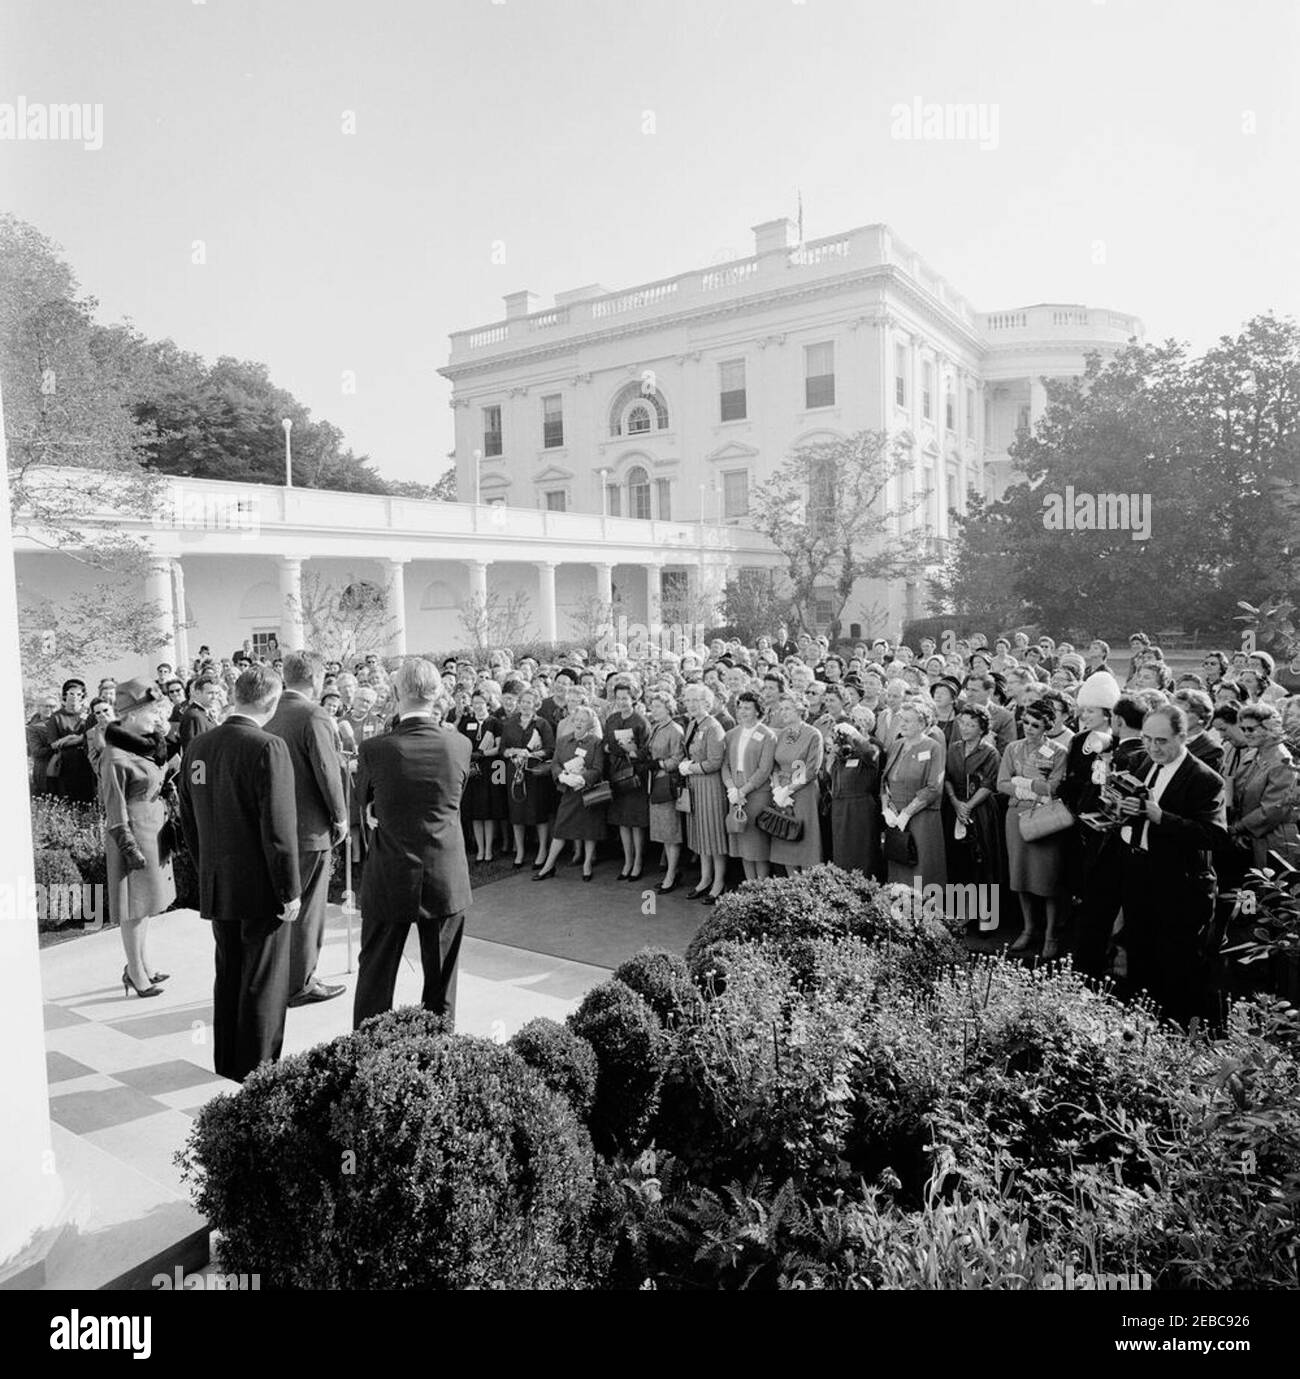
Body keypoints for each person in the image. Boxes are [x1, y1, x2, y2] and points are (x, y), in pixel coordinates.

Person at [177, 666, 302, 1082]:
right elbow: (279, 828)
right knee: (264, 983)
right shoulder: (267, 746)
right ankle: (258, 1072)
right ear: (272, 701)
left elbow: (189, 821)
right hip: (260, 886)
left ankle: (227, 1064)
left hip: (220, 881)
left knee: (229, 974)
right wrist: (289, 890)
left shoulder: (199, 745)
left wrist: (207, 870)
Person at [351, 660, 472, 1027]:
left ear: (395, 693)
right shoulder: (459, 744)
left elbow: (364, 798)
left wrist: (373, 808)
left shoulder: (375, 748)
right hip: (444, 872)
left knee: (375, 978)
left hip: (391, 872)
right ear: (438, 695)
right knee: (441, 984)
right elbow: (453, 797)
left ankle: (368, 1049)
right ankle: (438, 1049)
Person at [1116, 706, 1229, 1027]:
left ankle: (1178, 1034)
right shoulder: (1145, 763)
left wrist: (1160, 817)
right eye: (1147, 739)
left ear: (1183, 737)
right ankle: (1141, 1026)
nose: (1153, 747)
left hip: (1180, 886)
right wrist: (1122, 809)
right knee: (1140, 955)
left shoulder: (1205, 779)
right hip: (1140, 874)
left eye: (1161, 741)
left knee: (1178, 967)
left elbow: (1214, 836)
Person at [264, 651, 349, 1009]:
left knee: (281, 907)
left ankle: (276, 977)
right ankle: (299, 983)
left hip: (273, 827)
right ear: (315, 679)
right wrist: (341, 817)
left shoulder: (266, 711)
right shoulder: (313, 714)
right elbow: (327, 771)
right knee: (308, 911)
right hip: (309, 828)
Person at [101, 678, 178, 999]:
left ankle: (142, 964)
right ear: (130, 715)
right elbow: (114, 807)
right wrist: (128, 847)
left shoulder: (144, 745)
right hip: (133, 835)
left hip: (153, 828)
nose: (158, 717)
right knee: (134, 907)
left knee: (146, 905)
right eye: (151, 712)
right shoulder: (115, 755)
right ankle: (134, 972)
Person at [998, 697, 1070, 958]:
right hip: (1016, 816)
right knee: (1020, 877)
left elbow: (1053, 787)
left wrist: (1021, 782)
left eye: (1035, 725)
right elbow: (1001, 784)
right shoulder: (1013, 748)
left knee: (1047, 879)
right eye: (1026, 723)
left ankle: (1051, 934)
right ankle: (1028, 929)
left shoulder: (1058, 752)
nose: (1029, 728)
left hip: (1044, 818)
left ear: (1047, 727)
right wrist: (1031, 787)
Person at [536, 704, 607, 881]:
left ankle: (587, 865)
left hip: (588, 792)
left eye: (584, 720)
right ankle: (548, 866)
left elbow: (598, 768)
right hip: (569, 792)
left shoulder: (596, 742)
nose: (579, 723)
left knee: (589, 831)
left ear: (590, 724)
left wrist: (583, 778)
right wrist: (561, 776)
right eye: (577, 720)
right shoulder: (563, 741)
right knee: (560, 829)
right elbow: (555, 764)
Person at [881, 700, 946, 887]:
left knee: (920, 872)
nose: (902, 724)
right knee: (897, 868)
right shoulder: (897, 745)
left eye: (908, 721)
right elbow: (884, 780)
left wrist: (907, 813)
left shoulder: (933, 747)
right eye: (901, 719)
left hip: (921, 817)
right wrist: (886, 809)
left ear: (922, 724)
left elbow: (934, 787)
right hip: (895, 817)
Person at [1228, 702, 1300, 870]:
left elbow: (1273, 810)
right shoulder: (1253, 754)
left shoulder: (1282, 761)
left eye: (1251, 729)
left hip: (1274, 841)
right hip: (1249, 837)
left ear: (1270, 729)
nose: (1246, 734)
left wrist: (1238, 828)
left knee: (1271, 884)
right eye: (1243, 729)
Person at [942, 703, 1002, 900]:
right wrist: (955, 802)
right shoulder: (953, 748)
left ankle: (983, 912)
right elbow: (947, 778)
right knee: (956, 857)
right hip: (954, 807)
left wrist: (968, 806)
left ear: (982, 729)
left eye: (971, 725)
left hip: (980, 810)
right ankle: (958, 908)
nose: (965, 728)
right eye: (963, 723)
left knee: (981, 858)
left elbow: (989, 784)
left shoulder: (990, 753)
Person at [680, 682, 730, 901]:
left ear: (707, 703)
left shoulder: (713, 727)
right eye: (688, 700)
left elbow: (715, 762)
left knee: (713, 834)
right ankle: (705, 878)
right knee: (700, 833)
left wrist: (690, 767)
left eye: (696, 700)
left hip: (710, 786)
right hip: (695, 784)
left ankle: (719, 882)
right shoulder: (693, 724)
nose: (691, 704)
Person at [722, 690, 778, 882]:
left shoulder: (767, 735)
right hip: (734, 791)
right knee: (743, 843)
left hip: (756, 793)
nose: (742, 711)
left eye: (747, 708)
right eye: (740, 707)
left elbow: (764, 769)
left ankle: (761, 887)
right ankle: (749, 884)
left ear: (757, 711)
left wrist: (743, 791)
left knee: (758, 845)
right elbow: (725, 765)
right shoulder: (731, 734)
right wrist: (732, 788)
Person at [768, 690, 825, 875]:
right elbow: (775, 765)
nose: (783, 713)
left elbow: (811, 770)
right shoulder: (783, 734)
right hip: (781, 792)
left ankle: (807, 884)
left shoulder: (813, 734)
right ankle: (792, 881)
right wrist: (777, 789)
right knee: (785, 837)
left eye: (787, 709)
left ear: (800, 710)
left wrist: (789, 790)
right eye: (781, 709)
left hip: (803, 792)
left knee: (805, 839)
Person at [500, 685, 556, 869]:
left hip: (534, 772)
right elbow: (502, 749)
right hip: (514, 771)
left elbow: (550, 749)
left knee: (538, 811)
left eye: (529, 702)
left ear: (536, 704)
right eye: (523, 702)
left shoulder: (542, 724)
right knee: (516, 812)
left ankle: (542, 851)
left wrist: (531, 754)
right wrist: (512, 752)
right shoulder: (510, 723)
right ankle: (520, 851)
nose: (525, 705)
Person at [603, 680, 651, 881]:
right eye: (618, 698)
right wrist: (611, 748)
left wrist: (632, 752)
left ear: (634, 698)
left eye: (625, 698)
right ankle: (627, 860)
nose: (622, 702)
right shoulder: (612, 719)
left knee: (635, 821)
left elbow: (646, 750)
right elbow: (606, 744)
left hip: (635, 776)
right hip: (616, 773)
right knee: (622, 820)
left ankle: (638, 861)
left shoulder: (640, 721)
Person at [825, 707, 882, 877]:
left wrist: (856, 736)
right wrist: (832, 754)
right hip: (840, 806)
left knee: (861, 853)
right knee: (842, 853)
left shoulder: (872, 747)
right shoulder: (845, 751)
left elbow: (871, 754)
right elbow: (830, 776)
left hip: (860, 807)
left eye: (860, 723)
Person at [646, 690, 687, 893]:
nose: (653, 710)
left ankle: (672, 873)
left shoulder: (675, 729)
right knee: (663, 830)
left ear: (668, 708)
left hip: (667, 784)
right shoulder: (656, 727)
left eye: (658, 707)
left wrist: (660, 764)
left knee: (671, 830)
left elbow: (678, 758)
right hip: (655, 782)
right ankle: (671, 870)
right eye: (652, 706)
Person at [459, 689, 505, 863]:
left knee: (488, 810)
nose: (478, 706)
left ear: (487, 704)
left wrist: (483, 753)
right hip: (472, 769)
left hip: (490, 768)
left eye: (481, 702)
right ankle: (480, 850)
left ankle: (489, 850)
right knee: (475, 811)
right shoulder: (467, 723)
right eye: (475, 703)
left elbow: (499, 748)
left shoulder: (495, 723)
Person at [178, 672, 220, 751]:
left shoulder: (204, 713)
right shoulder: (194, 716)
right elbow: (194, 750)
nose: (214, 697)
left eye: (217, 693)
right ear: (197, 693)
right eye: (210, 693)